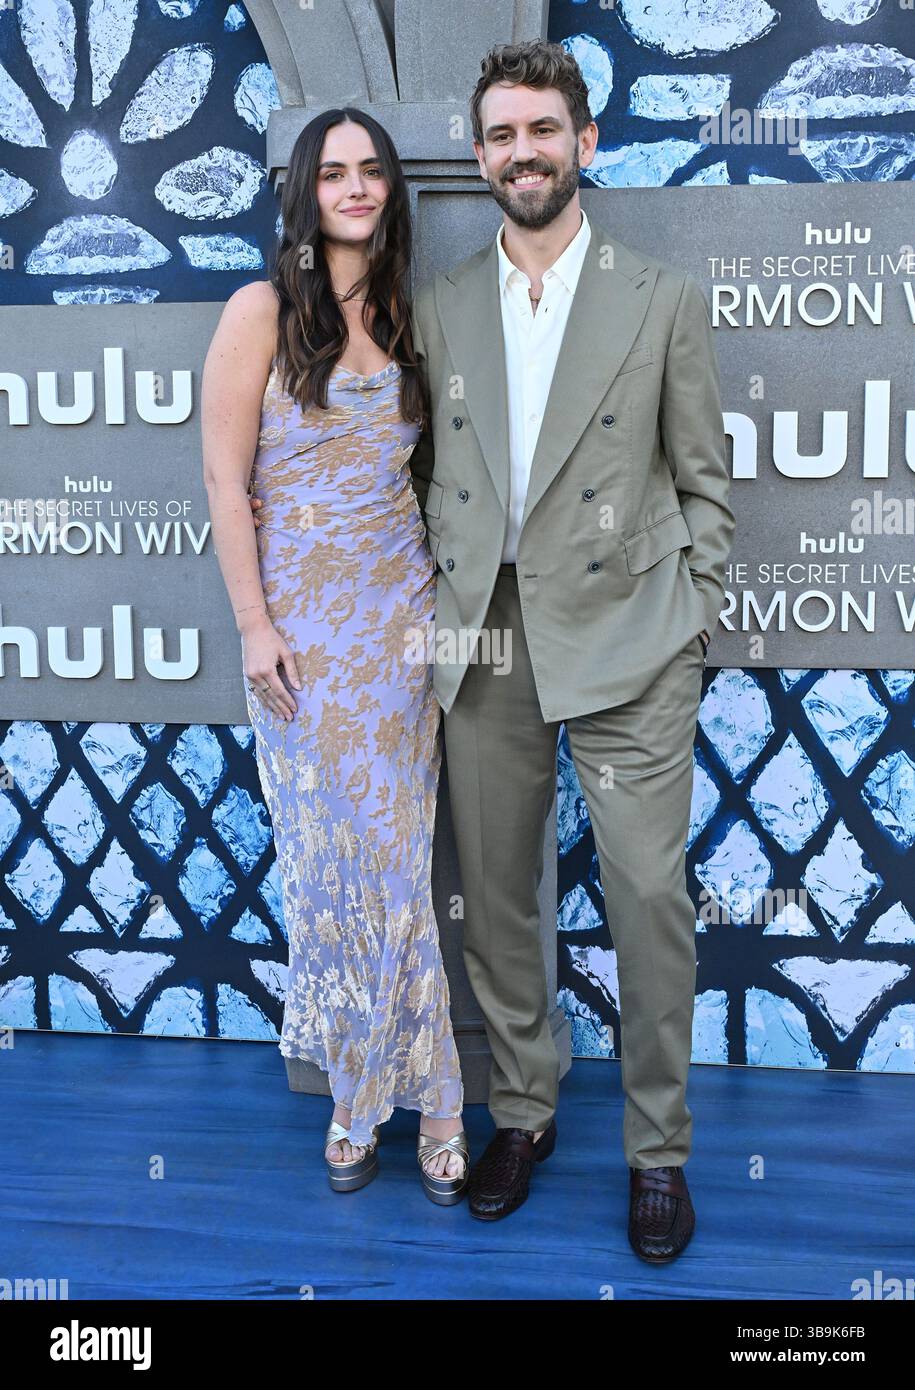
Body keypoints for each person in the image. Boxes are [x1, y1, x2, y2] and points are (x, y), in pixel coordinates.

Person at [401, 39, 734, 1259]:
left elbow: (706, 484)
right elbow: (433, 478)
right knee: (496, 901)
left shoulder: (661, 300)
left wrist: (688, 615)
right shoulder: (438, 307)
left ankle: (660, 1151)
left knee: (648, 898)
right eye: (501, 134)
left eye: (544, 129)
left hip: (632, 645)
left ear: (585, 143)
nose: (522, 152)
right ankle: (524, 1113)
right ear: (479, 152)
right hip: (485, 638)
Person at [202, 108, 469, 1204]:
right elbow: (227, 486)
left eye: (372, 172)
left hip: (403, 627)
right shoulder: (260, 310)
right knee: (332, 875)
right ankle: (360, 1094)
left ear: (390, 190)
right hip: (301, 645)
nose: (356, 187)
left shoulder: (415, 314)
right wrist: (256, 627)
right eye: (335, 172)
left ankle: (436, 1101)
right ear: (307, 191)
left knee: (401, 869)